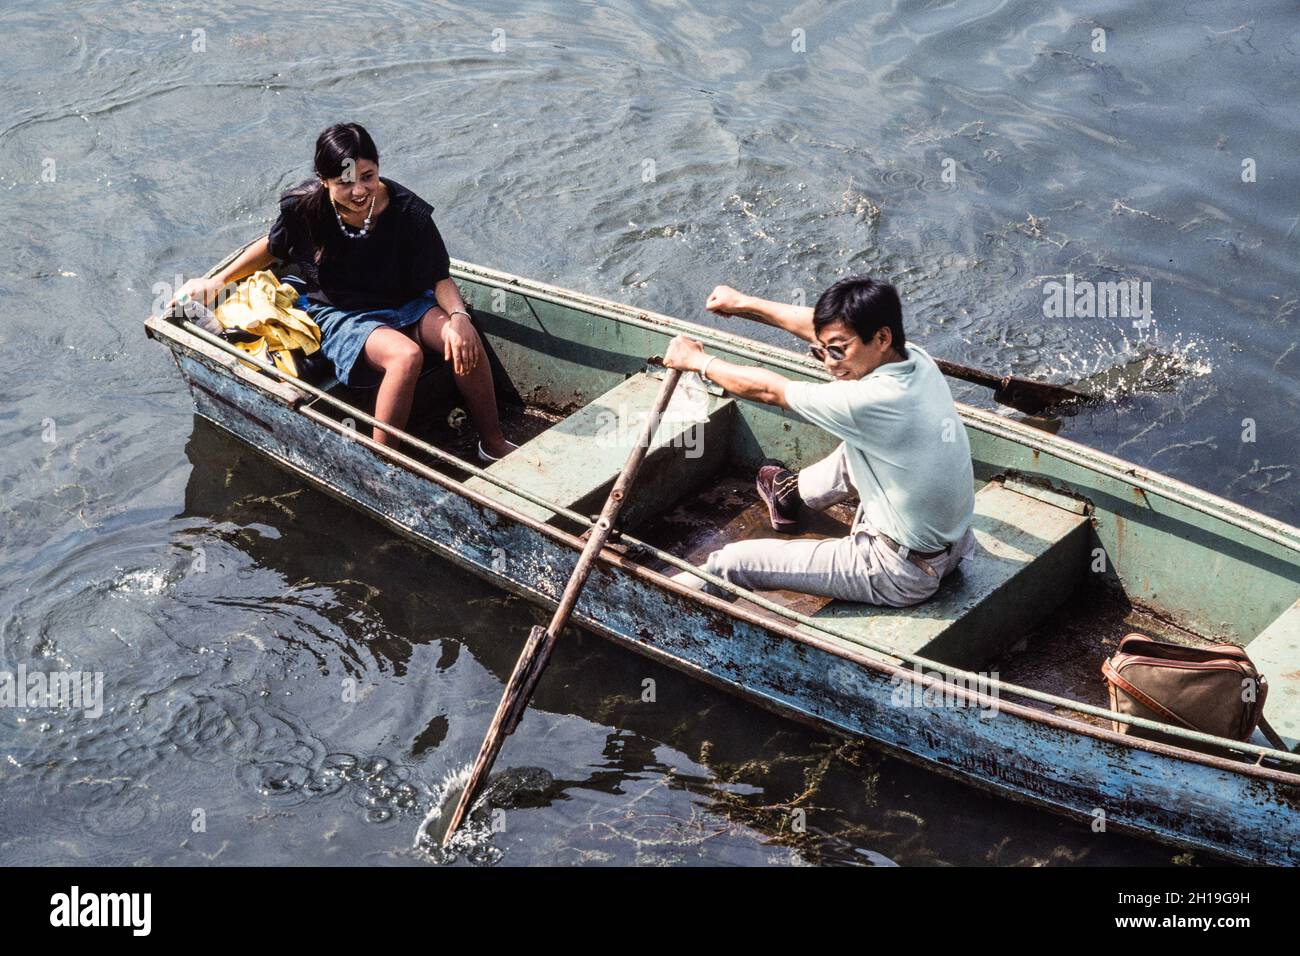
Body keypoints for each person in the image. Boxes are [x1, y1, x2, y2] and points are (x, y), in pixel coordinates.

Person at [174, 122, 516, 460]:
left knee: (459, 337)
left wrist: (458, 318)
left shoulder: (407, 211)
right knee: (405, 356)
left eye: (368, 176)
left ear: (378, 168)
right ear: (324, 181)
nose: (359, 191)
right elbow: (272, 248)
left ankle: (493, 442)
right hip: (343, 313)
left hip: (407, 303)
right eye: (344, 183)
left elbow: (439, 277)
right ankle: (383, 464)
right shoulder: (304, 208)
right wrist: (218, 282)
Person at [661, 276, 977, 608]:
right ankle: (790, 495)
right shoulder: (916, 360)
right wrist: (743, 303)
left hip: (898, 570)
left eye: (838, 351)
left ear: (882, 337)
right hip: (952, 547)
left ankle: (658, 598)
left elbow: (769, 390)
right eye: (821, 351)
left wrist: (698, 362)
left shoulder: (866, 402)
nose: (828, 363)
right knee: (857, 447)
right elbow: (819, 327)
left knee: (731, 563)